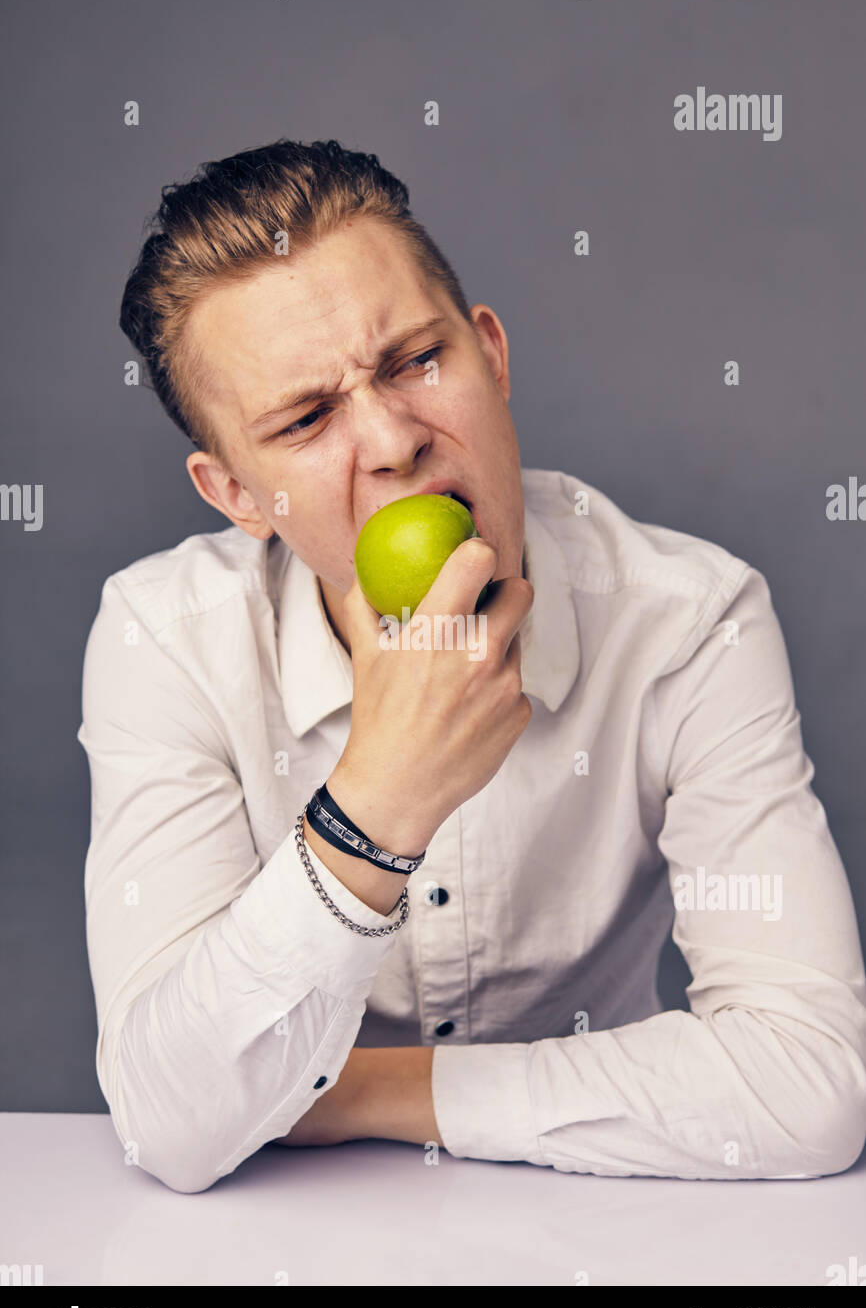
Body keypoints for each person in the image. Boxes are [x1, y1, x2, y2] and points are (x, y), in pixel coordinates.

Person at [78, 138, 866, 1193]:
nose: (393, 442)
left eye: (414, 361)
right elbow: (172, 1125)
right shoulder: (162, 635)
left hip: (606, 1218)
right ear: (234, 496)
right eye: (307, 419)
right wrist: (376, 805)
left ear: (489, 355)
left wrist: (350, 1092)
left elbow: (811, 1085)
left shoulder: (689, 621)